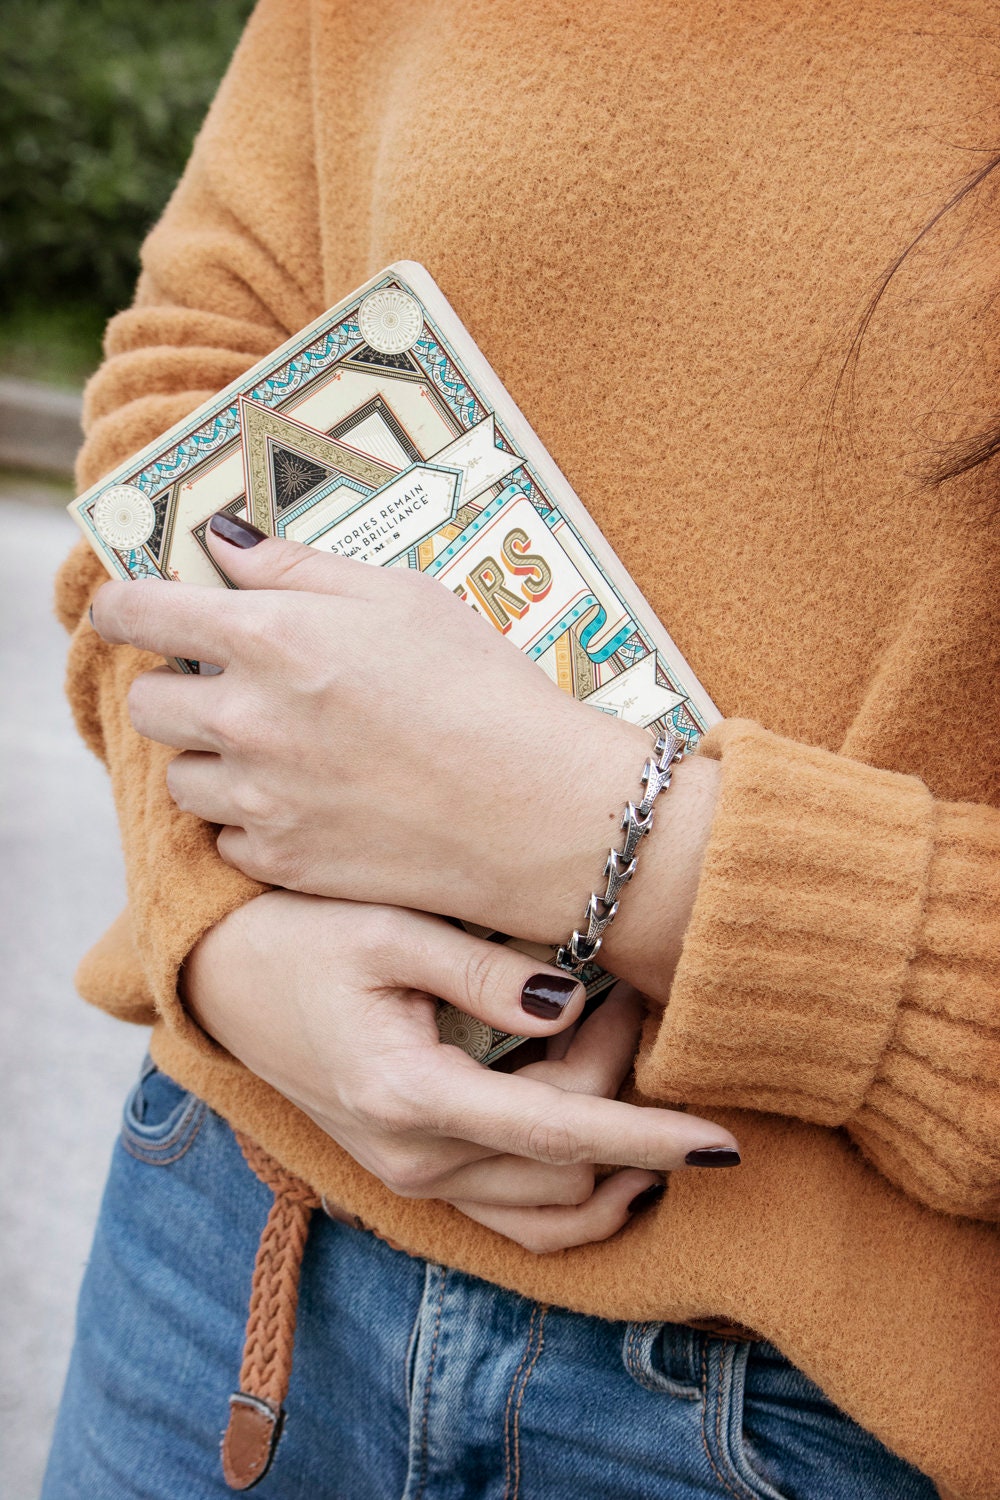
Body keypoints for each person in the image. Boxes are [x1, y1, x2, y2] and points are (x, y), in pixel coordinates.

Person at [41, 1, 999, 1496]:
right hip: (234, 1252)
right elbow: (189, 374)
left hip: (835, 1418)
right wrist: (222, 933)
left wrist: (640, 855)